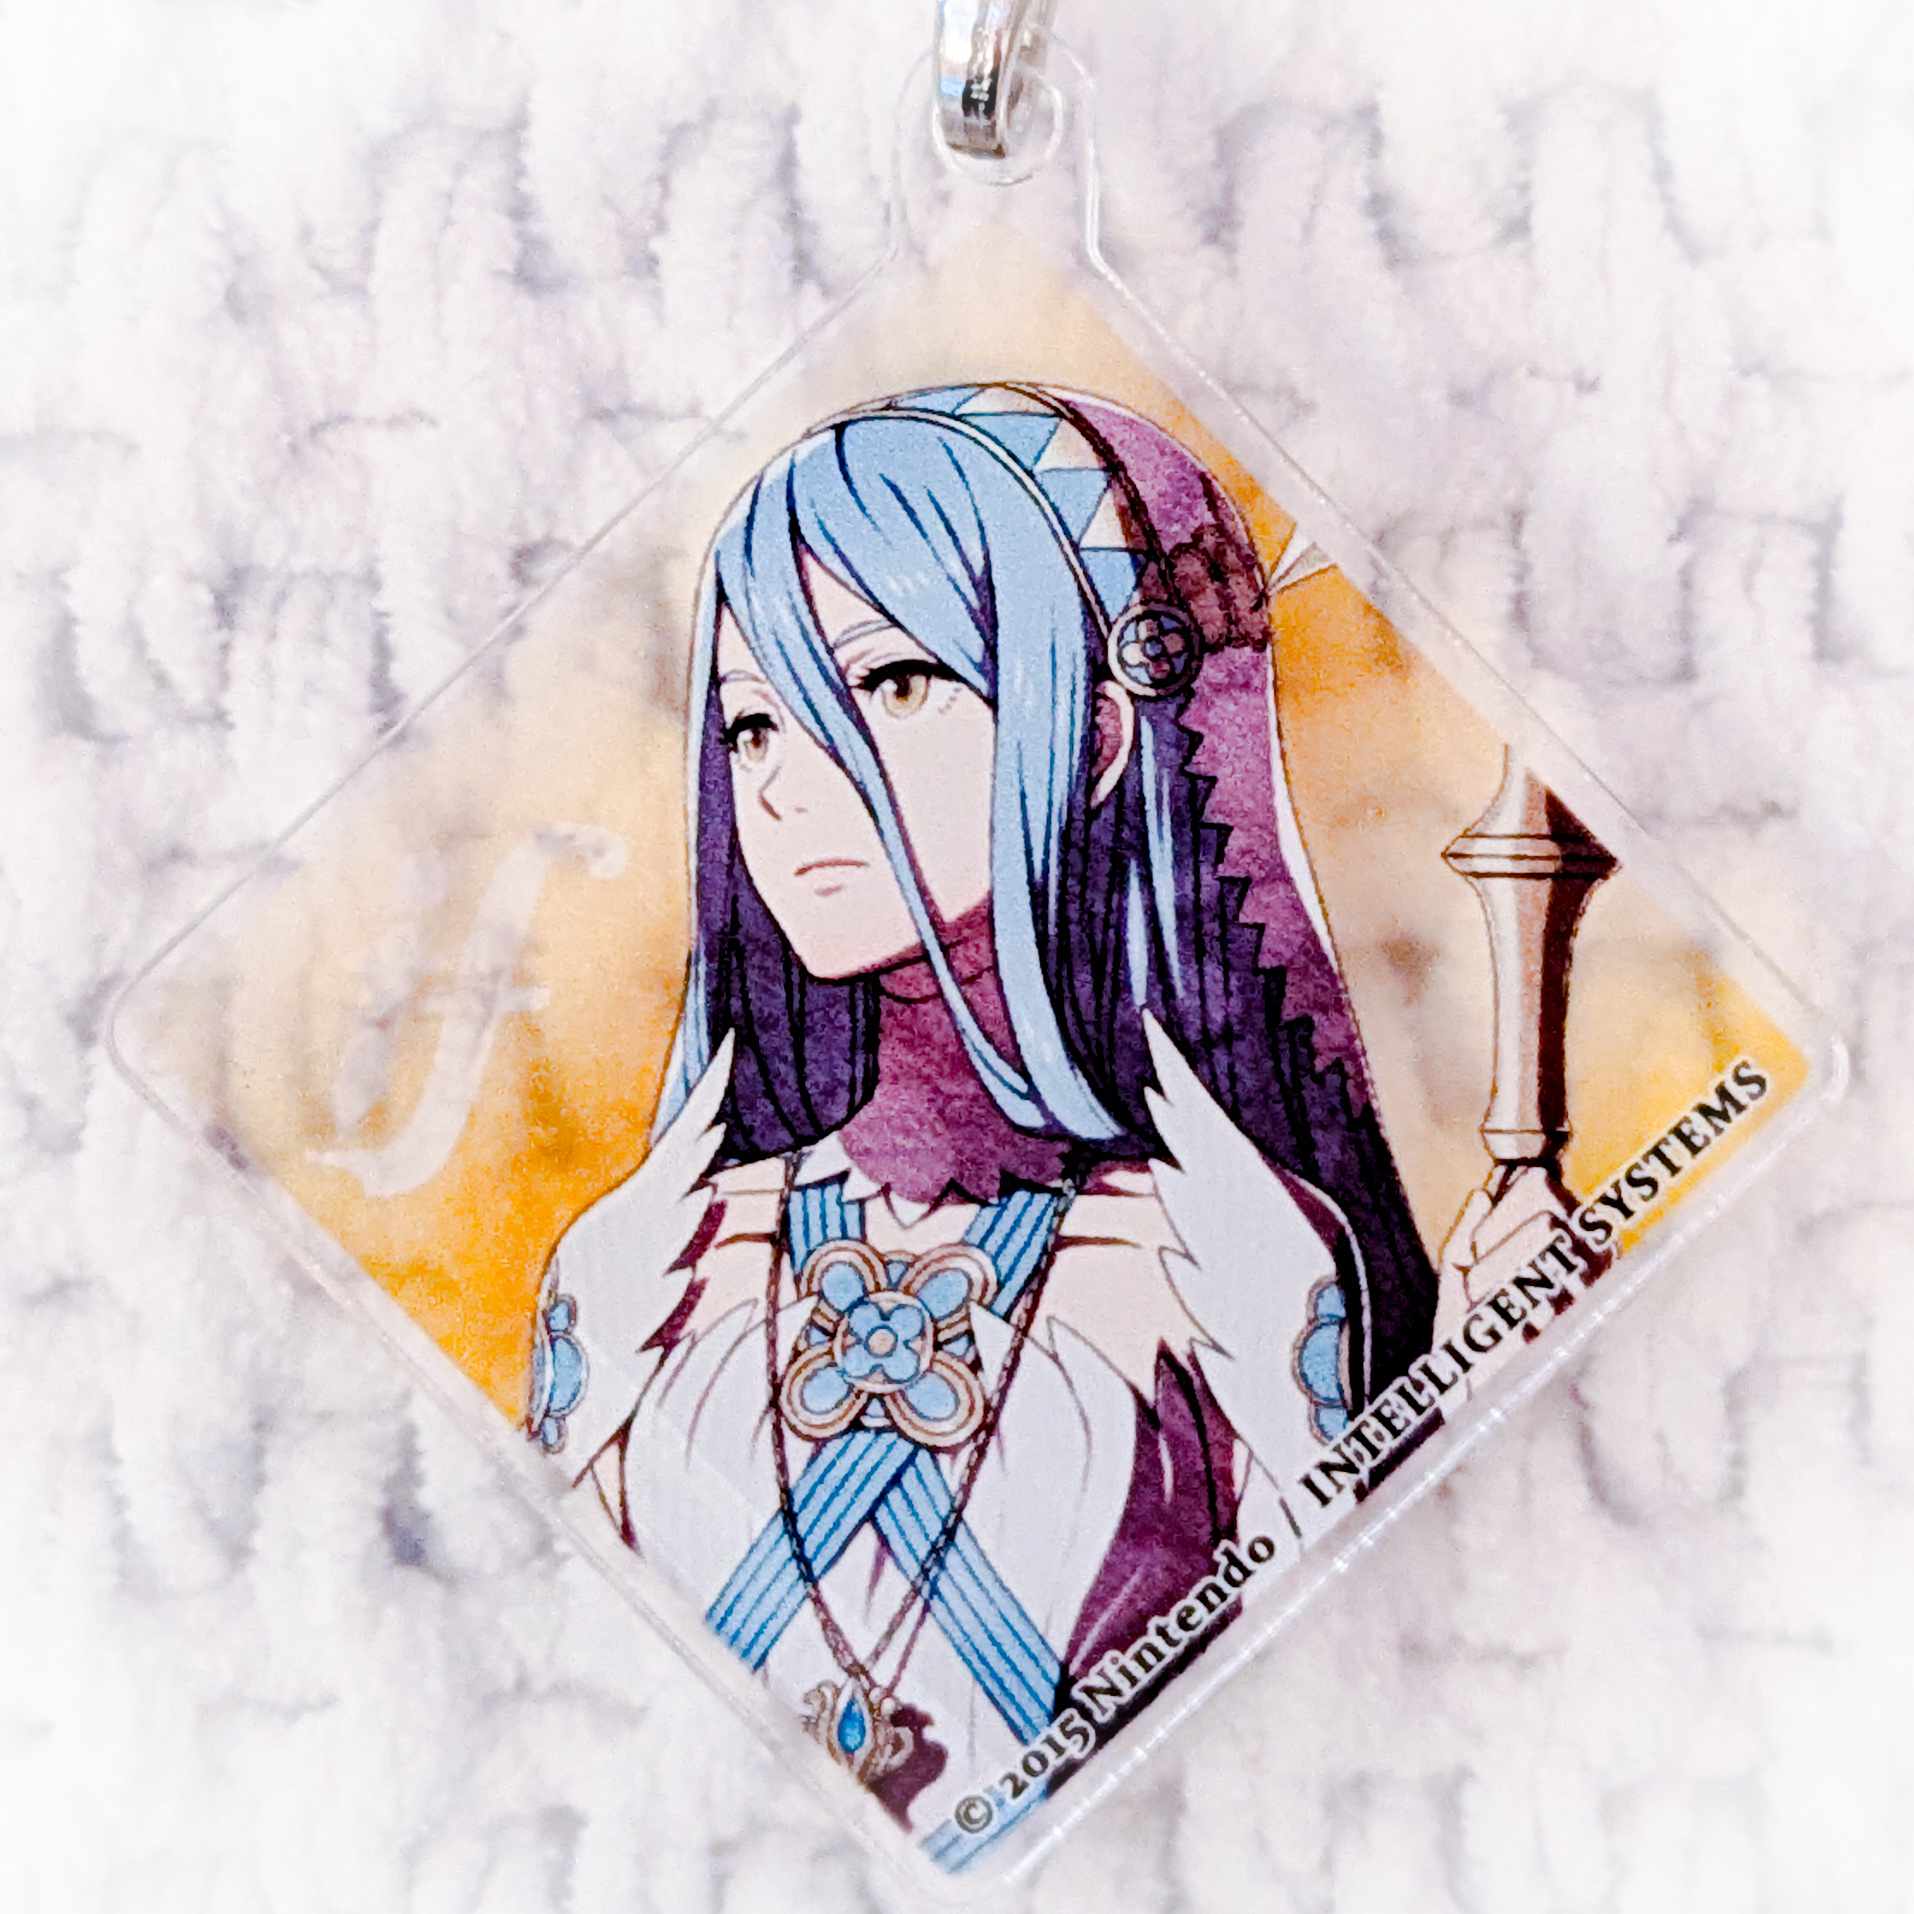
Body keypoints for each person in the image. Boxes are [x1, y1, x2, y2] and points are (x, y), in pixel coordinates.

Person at [524, 382, 1450, 1850]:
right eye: (753, 721)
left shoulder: (1234, 1264)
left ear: (1096, 731)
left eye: (890, 685)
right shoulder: (642, 1261)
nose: (791, 784)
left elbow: (1334, 1723)